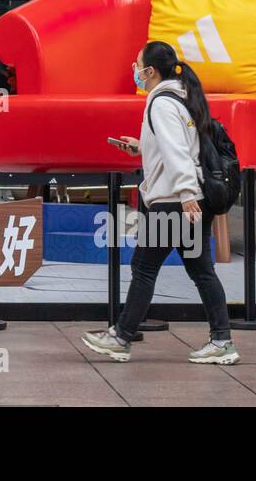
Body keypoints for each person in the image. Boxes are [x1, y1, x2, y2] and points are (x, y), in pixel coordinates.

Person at [82, 40, 239, 365]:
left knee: (144, 268)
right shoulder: (179, 98)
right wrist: (142, 147)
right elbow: (178, 145)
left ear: (150, 71)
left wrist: (184, 194)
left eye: (137, 65)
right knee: (201, 271)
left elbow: (178, 153)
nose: (134, 71)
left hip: (173, 202)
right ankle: (222, 341)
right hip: (188, 200)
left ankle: (121, 337)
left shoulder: (161, 104)